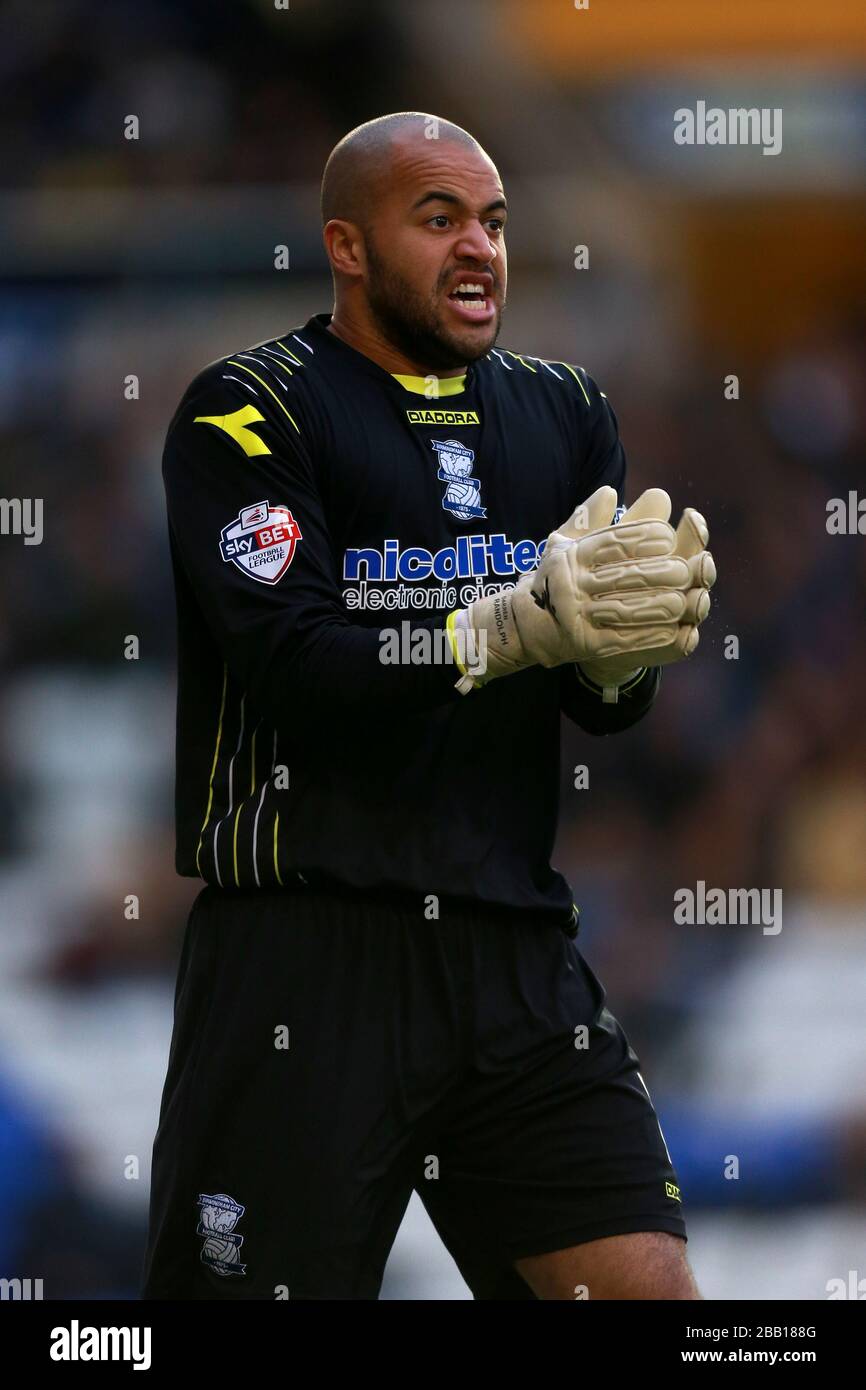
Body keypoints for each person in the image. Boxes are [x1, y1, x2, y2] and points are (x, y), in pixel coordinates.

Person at [141, 111, 715, 1301]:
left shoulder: (565, 411)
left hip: (511, 943)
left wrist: (618, 656)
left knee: (645, 1290)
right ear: (346, 247)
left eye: (494, 223)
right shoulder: (246, 411)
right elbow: (293, 665)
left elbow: (599, 706)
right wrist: (501, 626)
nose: (478, 250)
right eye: (439, 219)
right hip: (304, 955)